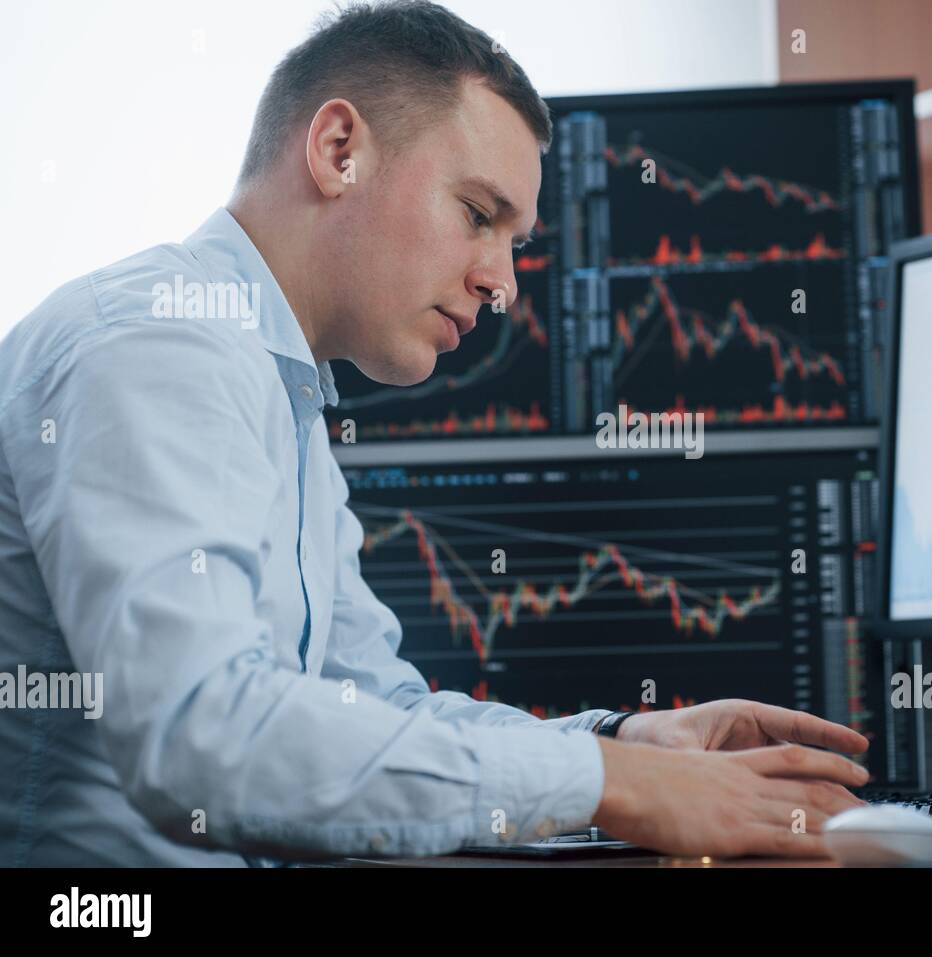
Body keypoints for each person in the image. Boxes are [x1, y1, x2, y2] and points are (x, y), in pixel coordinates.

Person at [0, 0, 869, 867]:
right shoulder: (156, 343)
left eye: (516, 241)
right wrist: (614, 784)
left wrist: (629, 745)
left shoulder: (279, 387)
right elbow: (202, 740)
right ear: (340, 151)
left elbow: (371, 707)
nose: (503, 284)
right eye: (477, 214)